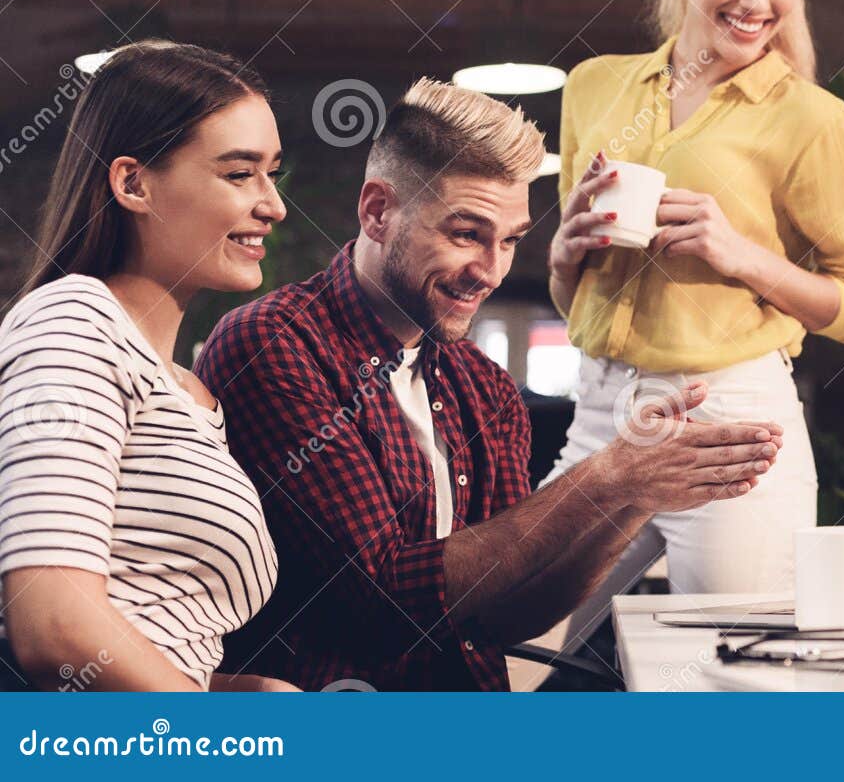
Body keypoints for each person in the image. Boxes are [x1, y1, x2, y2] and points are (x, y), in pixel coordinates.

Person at [194, 80, 782, 691]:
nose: (492, 271)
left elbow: (505, 613)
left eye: (510, 241)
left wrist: (638, 496)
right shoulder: (275, 346)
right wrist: (603, 477)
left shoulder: (486, 388)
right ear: (376, 211)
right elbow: (378, 601)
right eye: (465, 234)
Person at [542, 0, 844, 627]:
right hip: (602, 412)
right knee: (504, 647)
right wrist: (563, 258)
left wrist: (740, 255)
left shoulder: (812, 120)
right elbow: (576, 301)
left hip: (732, 424)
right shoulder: (594, 90)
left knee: (732, 686)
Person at [0, 40, 290, 691]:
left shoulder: (189, 393)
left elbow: (152, 634)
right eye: (240, 174)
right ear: (133, 182)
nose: (273, 205)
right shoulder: (74, 325)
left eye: (273, 172)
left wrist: (239, 693)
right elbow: (55, 623)